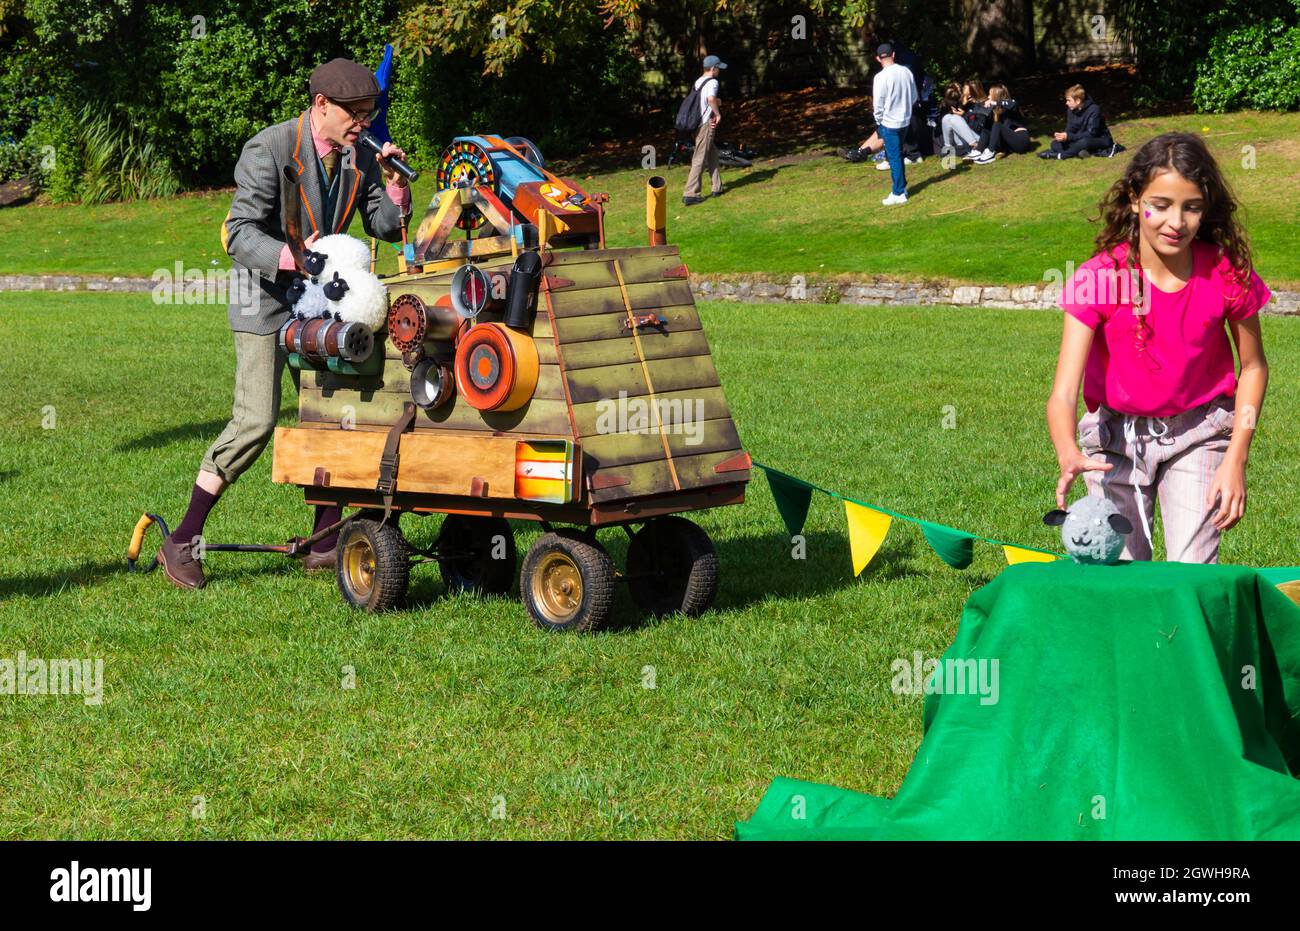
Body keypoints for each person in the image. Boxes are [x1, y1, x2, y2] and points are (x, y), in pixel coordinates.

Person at [158, 58, 413, 590]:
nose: (364, 124)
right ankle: (182, 540)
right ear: (321, 105)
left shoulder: (361, 155)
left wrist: (394, 189)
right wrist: (295, 257)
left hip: (322, 306)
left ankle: (324, 541)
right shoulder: (269, 148)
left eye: (370, 113)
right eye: (355, 114)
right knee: (256, 421)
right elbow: (237, 234)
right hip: (266, 302)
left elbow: (386, 226)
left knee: (335, 412)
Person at [1046, 132, 1271, 563]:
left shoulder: (1226, 273)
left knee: (1190, 574)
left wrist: (1236, 458)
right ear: (1134, 199)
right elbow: (1061, 394)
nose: (1176, 222)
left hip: (1199, 434)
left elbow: (1255, 367)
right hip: (1115, 442)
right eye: (1161, 205)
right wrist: (1067, 451)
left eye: (1192, 207)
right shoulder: (1099, 279)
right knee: (1119, 572)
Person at [871, 42, 917, 206]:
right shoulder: (906, 71)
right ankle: (901, 187)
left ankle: (898, 192)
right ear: (893, 55)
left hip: (890, 123)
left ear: (878, 58)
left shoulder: (880, 77)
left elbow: (878, 104)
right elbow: (913, 96)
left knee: (894, 157)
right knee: (897, 155)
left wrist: (878, 121)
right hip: (905, 120)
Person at [683, 55, 726, 206]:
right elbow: (710, 99)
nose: (719, 71)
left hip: (696, 124)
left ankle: (717, 187)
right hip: (705, 124)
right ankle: (690, 193)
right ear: (713, 68)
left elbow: (705, 101)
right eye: (718, 68)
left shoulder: (699, 81)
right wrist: (718, 113)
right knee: (700, 158)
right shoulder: (713, 82)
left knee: (712, 153)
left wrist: (716, 102)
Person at [1040, 84, 1117, 160]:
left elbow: (1091, 134)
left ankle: (1060, 156)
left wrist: (1070, 137)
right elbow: (1070, 129)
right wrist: (1064, 136)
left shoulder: (1094, 110)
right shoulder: (1071, 110)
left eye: (1068, 100)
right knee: (1055, 143)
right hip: (1079, 139)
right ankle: (1079, 152)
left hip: (1098, 139)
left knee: (1084, 142)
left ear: (1078, 101)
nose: (1066, 103)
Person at [969, 84, 1032, 164]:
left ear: (996, 96)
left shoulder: (1011, 107)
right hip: (1009, 144)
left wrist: (995, 102)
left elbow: (1013, 103)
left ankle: (990, 152)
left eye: (990, 95)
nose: (988, 97)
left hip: (1021, 141)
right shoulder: (996, 111)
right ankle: (979, 150)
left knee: (997, 124)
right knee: (988, 126)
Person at [939, 88, 980, 158]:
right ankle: (948, 148)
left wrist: (964, 115)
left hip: (978, 139)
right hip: (962, 143)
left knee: (954, 118)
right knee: (946, 118)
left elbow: (978, 126)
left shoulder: (977, 105)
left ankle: (976, 145)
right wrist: (962, 105)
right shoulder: (960, 105)